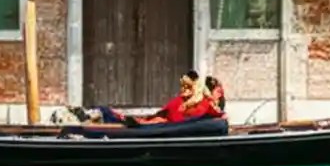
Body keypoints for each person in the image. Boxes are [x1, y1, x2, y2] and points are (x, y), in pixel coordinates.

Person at [69, 70, 225, 126]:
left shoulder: (201, 104)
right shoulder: (198, 103)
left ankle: (96, 114)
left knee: (125, 118)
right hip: (164, 121)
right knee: (130, 119)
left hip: (164, 122)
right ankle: (95, 115)